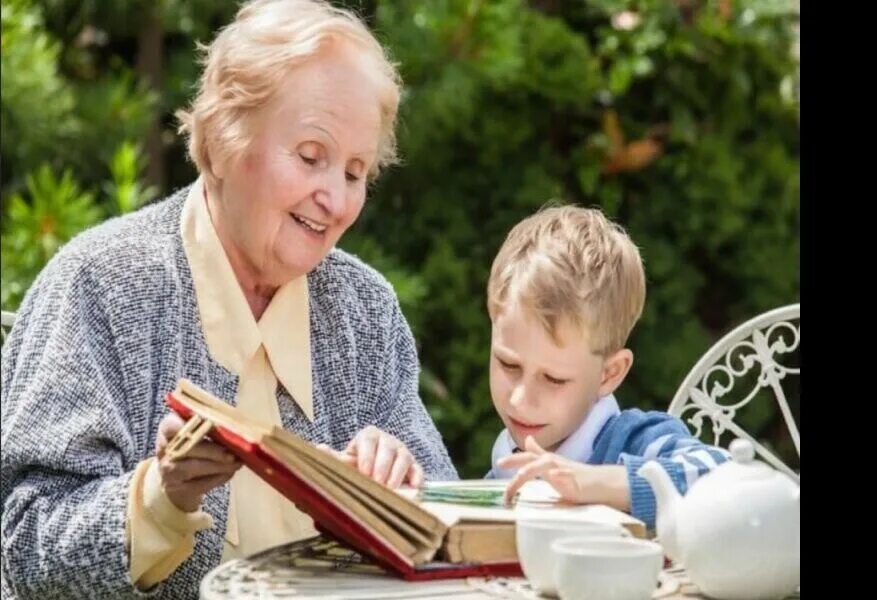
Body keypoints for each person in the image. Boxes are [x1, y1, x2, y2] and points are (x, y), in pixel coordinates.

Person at [0, 1, 456, 597]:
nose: (336, 200)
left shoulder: (365, 309)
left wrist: (400, 484)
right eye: (311, 157)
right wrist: (159, 497)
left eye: (354, 173)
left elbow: (449, 528)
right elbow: (25, 545)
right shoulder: (100, 284)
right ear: (220, 143)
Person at [483, 205, 729, 528]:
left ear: (609, 374)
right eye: (508, 364)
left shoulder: (635, 440)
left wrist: (599, 483)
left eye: (554, 379)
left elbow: (723, 476)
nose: (520, 400)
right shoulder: (502, 465)